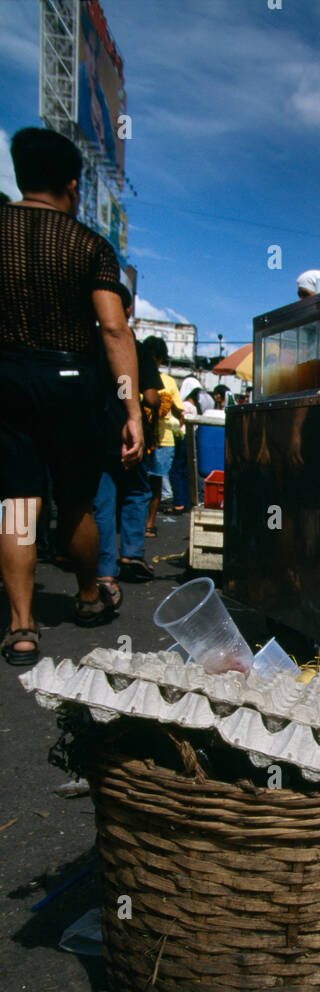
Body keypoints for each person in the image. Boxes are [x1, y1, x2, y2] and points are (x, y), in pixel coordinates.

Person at [0, 128, 142, 665]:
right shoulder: (89, 245)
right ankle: (87, 596)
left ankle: (21, 625)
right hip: (72, 383)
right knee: (78, 498)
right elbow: (112, 330)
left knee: (16, 503)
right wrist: (130, 407)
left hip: (8, 376)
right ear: (74, 185)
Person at [92, 285, 161, 604]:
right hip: (129, 428)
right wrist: (136, 414)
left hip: (96, 429)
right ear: (129, 310)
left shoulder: (87, 344)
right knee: (135, 491)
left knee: (102, 500)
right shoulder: (136, 348)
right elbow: (150, 396)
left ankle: (103, 570)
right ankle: (131, 555)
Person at [143, 337, 183, 537]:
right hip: (141, 438)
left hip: (163, 439)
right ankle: (134, 522)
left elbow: (180, 414)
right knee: (136, 483)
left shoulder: (169, 382)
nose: (154, 361)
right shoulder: (133, 377)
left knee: (156, 482)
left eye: (157, 358)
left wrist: (171, 406)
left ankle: (149, 523)